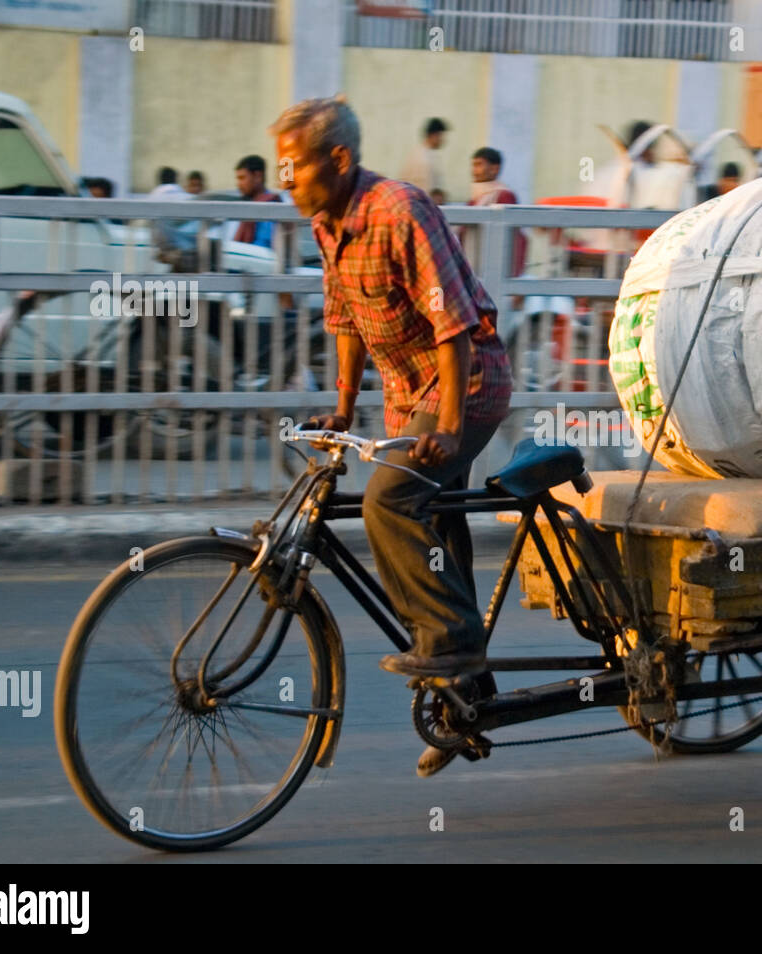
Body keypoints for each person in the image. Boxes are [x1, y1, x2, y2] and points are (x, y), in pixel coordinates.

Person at [271, 95, 513, 777]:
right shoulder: (328, 222)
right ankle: (468, 699)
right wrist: (344, 410)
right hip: (410, 399)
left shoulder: (400, 211)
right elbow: (346, 320)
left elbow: (454, 325)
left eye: (294, 166)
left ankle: (448, 647)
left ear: (338, 159)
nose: (284, 179)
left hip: (467, 385)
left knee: (389, 501)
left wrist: (449, 424)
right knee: (436, 524)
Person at [459, 146, 526, 276]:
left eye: (479, 165)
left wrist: (515, 274)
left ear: (495, 169)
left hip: (493, 271)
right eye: (473, 165)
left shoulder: (504, 196)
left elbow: (514, 239)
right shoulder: (474, 199)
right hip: (472, 269)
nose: (474, 171)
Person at [232, 155, 283, 247]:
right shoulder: (249, 204)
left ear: (257, 176)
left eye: (242, 178)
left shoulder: (269, 205)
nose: (239, 184)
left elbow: (264, 246)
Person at [399, 117, 449, 195]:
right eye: (441, 136)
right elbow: (426, 191)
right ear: (434, 136)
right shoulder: (423, 158)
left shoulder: (420, 153)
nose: (443, 140)